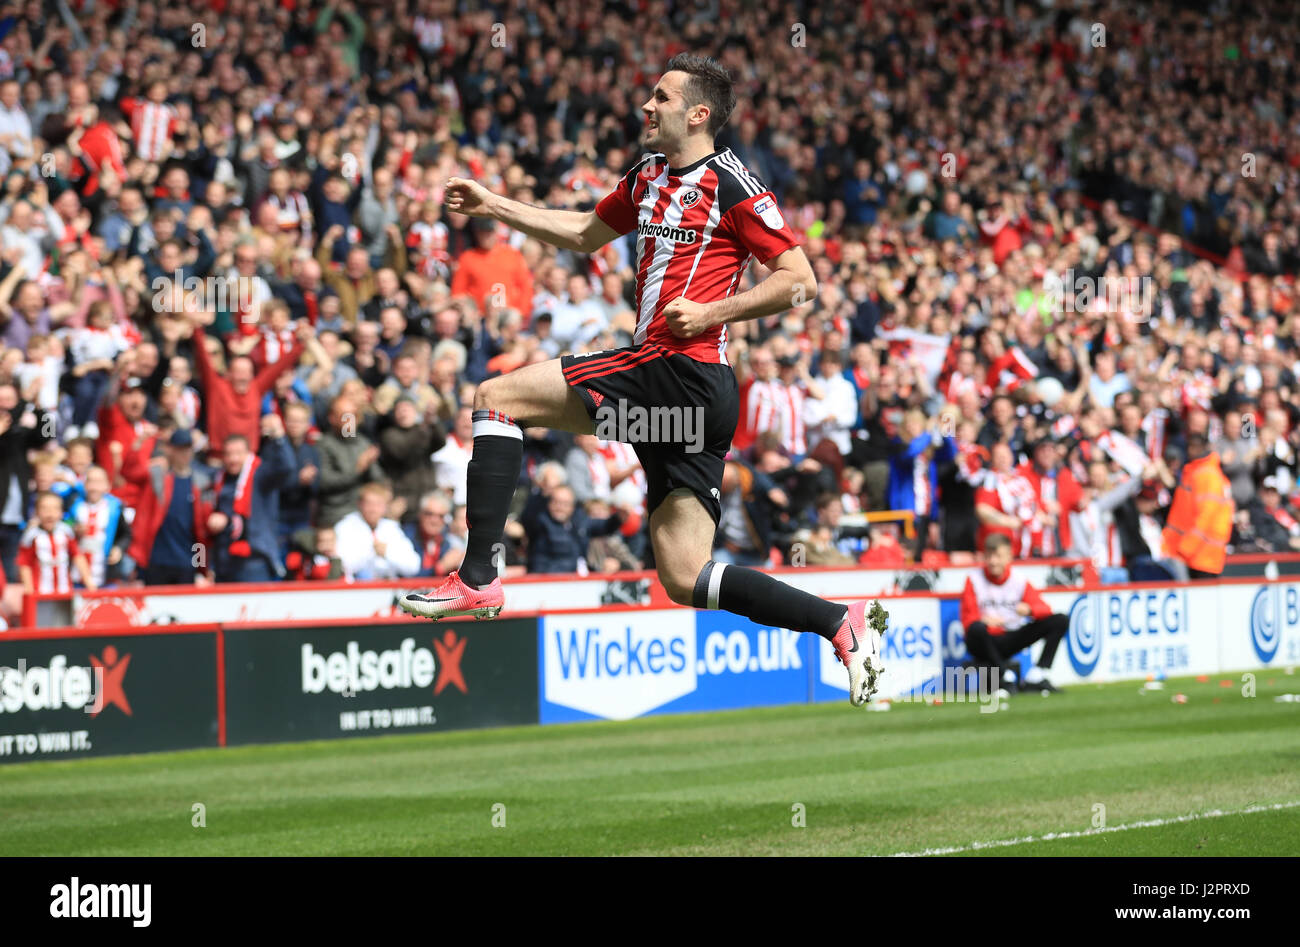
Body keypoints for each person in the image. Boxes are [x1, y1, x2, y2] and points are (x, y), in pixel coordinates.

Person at [400, 55, 887, 705]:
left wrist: (712, 312)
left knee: (496, 398)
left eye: (660, 97)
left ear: (698, 113)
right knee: (685, 577)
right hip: (682, 410)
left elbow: (801, 280)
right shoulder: (648, 176)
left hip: (678, 372)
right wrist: (495, 205)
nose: (645, 107)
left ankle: (479, 574)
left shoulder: (733, 182)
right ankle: (838, 621)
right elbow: (580, 233)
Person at [959, 533, 1067, 694]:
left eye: (998, 556)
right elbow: (967, 620)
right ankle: (1004, 675)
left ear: (1009, 556)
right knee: (976, 629)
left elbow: (1044, 609)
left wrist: (1030, 610)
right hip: (984, 640)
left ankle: (1037, 674)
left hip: (1010, 637)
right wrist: (984, 620)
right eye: (989, 556)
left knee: (1060, 620)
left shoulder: (1019, 580)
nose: (993, 562)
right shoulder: (974, 579)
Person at [208, 415, 296, 582]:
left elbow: (286, 467)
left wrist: (278, 436)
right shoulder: (218, 478)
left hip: (253, 559)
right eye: (228, 454)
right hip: (224, 559)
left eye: (238, 454)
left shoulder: (260, 474)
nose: (233, 459)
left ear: (248, 454)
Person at [1161, 432, 1234, 580]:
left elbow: (1206, 517)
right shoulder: (1198, 471)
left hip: (1200, 555)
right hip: (1198, 554)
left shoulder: (1206, 474)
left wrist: (1186, 548)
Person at [333, 482, 421, 580]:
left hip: (387, 589)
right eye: (369, 504)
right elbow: (341, 565)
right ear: (360, 504)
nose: (373, 509)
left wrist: (387, 553)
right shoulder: (345, 526)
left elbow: (413, 566)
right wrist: (370, 549)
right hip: (356, 589)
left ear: (385, 507)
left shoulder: (391, 528)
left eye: (378, 504)